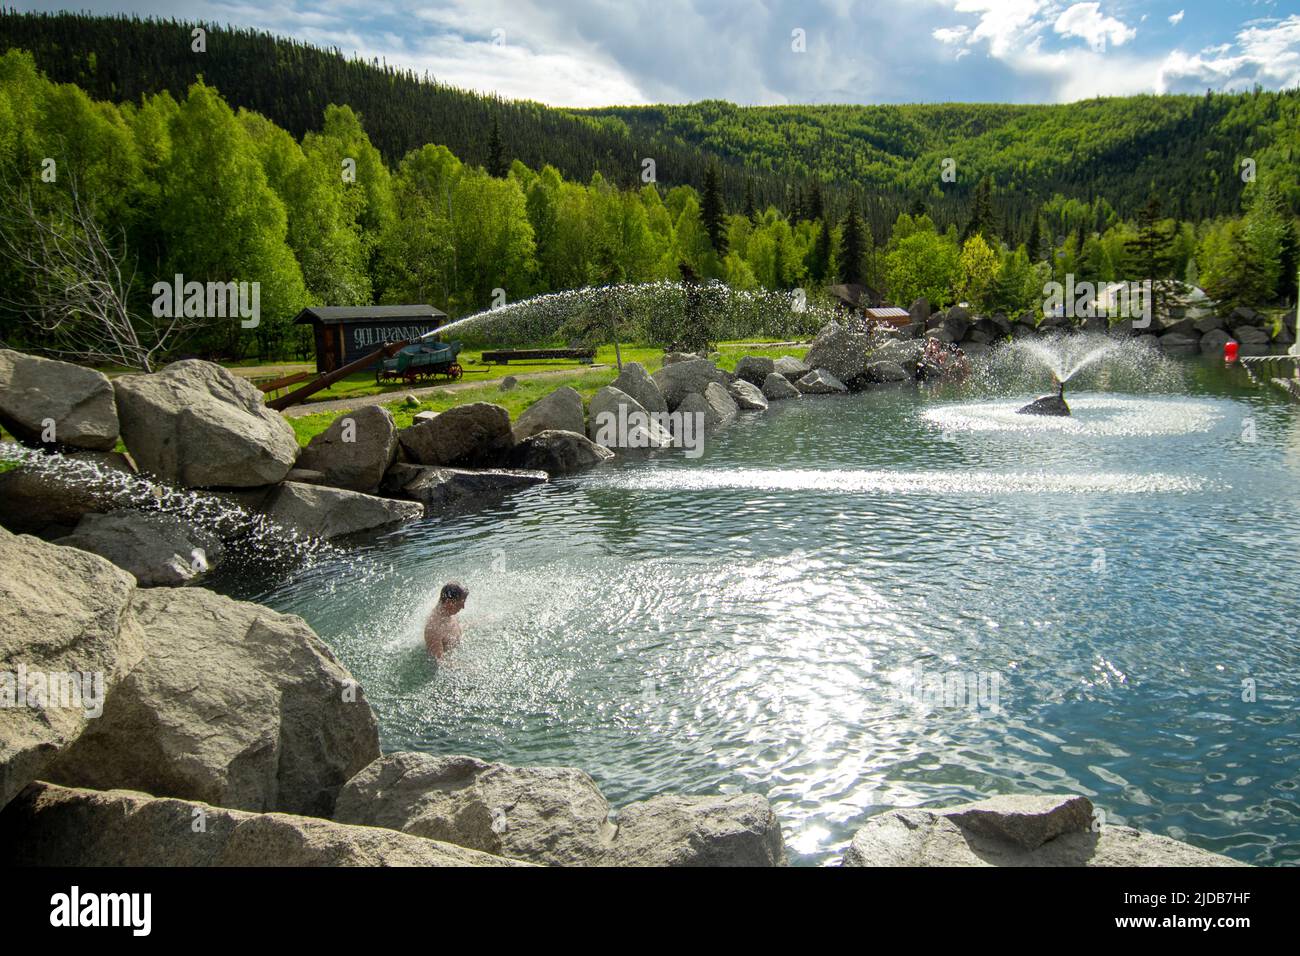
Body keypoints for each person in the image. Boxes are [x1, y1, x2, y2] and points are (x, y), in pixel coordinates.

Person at [424, 582, 468, 660]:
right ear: (449, 602)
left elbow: (456, 627)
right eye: (460, 604)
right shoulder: (434, 629)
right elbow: (440, 662)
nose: (463, 607)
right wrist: (468, 669)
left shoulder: (450, 614)